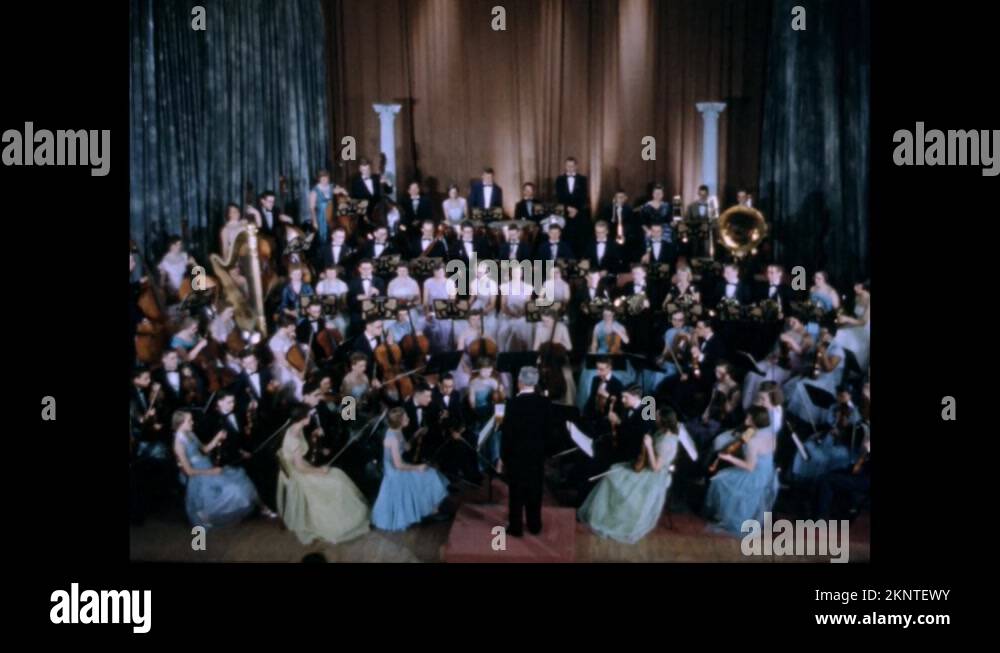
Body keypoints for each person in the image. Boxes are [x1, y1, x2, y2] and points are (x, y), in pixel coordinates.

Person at [578, 407, 680, 544]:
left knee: (614, 479)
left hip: (653, 477)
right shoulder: (662, 432)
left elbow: (656, 468)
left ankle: (611, 517)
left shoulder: (667, 442)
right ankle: (605, 513)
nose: (655, 418)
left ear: (664, 421)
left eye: (657, 417)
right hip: (646, 468)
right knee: (614, 469)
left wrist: (649, 446)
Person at [277, 404, 371, 544]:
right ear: (302, 418)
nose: (310, 417)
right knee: (336, 482)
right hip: (299, 474)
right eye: (308, 415)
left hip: (300, 467)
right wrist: (320, 471)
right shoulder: (294, 438)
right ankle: (341, 519)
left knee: (337, 474)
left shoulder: (295, 428)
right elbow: (301, 468)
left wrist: (313, 436)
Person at [172, 410, 271, 528]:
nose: (192, 422)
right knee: (233, 490)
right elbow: (189, 471)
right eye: (189, 421)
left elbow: (204, 450)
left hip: (208, 467)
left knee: (242, 481)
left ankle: (263, 508)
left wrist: (217, 438)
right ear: (180, 423)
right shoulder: (178, 444)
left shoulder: (190, 434)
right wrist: (211, 472)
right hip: (200, 475)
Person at [371, 407, 451, 531]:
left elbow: (407, 447)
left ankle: (432, 510)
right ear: (399, 421)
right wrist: (417, 467)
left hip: (400, 467)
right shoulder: (391, 438)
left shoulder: (397, 431)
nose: (408, 419)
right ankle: (432, 511)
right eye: (406, 418)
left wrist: (416, 435)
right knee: (428, 475)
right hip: (395, 473)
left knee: (430, 472)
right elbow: (398, 465)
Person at [703, 406, 778, 535]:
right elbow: (745, 439)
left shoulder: (753, 442)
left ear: (755, 420)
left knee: (719, 480)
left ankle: (722, 515)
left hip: (755, 475)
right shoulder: (769, 433)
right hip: (767, 472)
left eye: (749, 417)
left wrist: (729, 457)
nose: (746, 418)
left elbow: (749, 466)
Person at [499, 366, 553, 536]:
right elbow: (549, 431)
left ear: (520, 382)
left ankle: (515, 527)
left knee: (516, 492)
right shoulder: (545, 402)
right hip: (537, 455)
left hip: (516, 456)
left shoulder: (512, 404)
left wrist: (503, 456)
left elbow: (507, 434)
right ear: (535, 383)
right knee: (535, 490)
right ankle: (534, 525)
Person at [835, 281, 870, 371]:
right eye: (855, 285)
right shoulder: (857, 297)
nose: (855, 288)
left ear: (863, 285)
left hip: (865, 328)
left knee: (842, 335)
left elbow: (863, 322)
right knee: (838, 331)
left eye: (858, 285)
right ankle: (838, 363)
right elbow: (855, 316)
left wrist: (847, 319)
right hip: (856, 324)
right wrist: (844, 321)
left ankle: (844, 366)